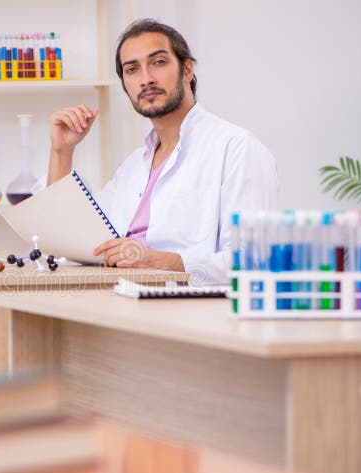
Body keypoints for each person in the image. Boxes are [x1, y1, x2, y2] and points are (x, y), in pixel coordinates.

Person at [46, 18, 278, 285]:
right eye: (132, 69)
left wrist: (156, 261)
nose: (146, 79)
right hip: (117, 298)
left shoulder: (238, 149)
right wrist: (62, 151)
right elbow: (69, 237)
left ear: (187, 70)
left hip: (187, 312)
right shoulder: (133, 166)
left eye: (158, 62)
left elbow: (255, 261)